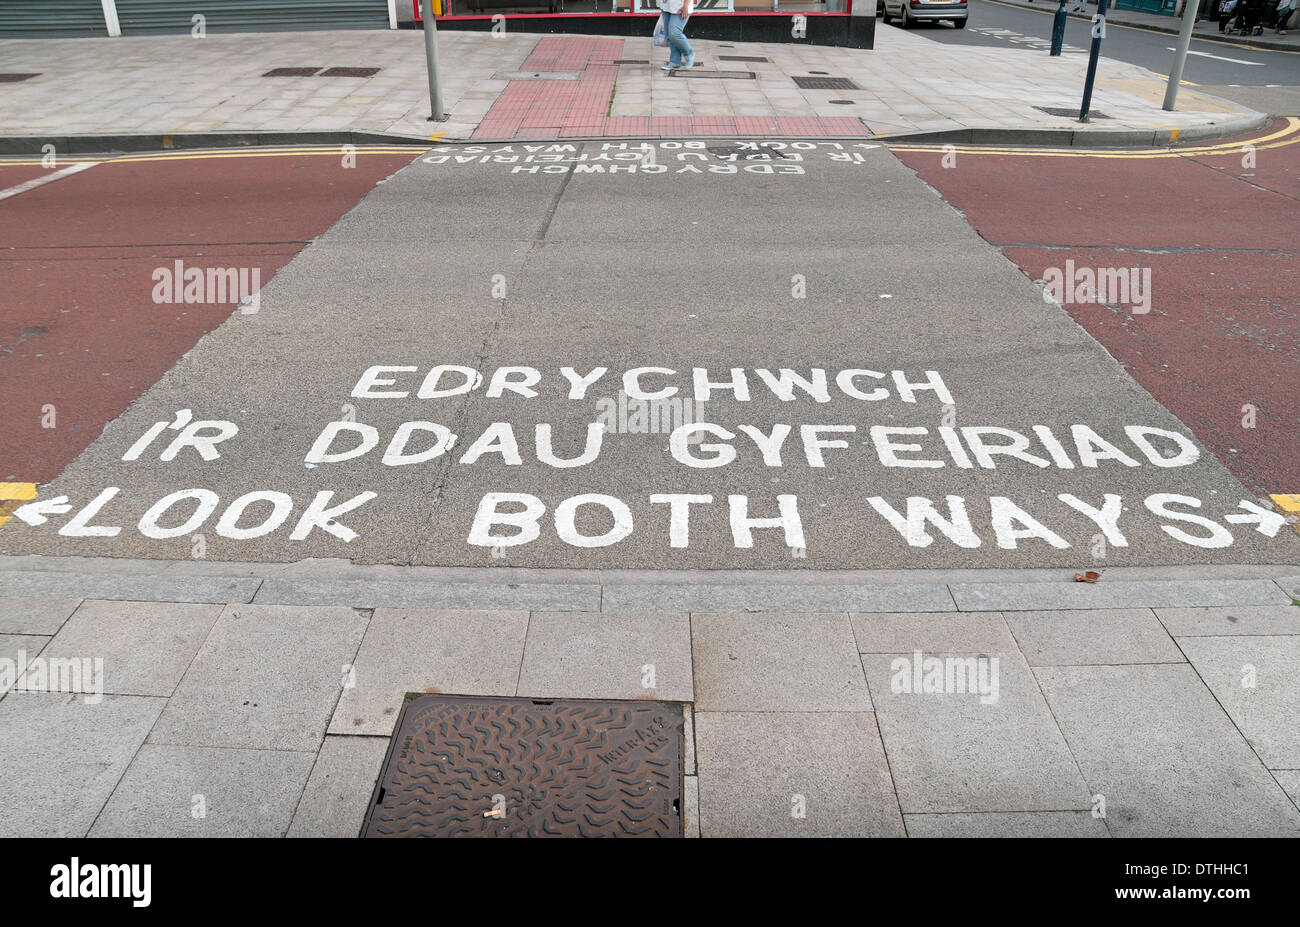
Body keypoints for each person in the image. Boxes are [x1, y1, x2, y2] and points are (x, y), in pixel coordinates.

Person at [657, 0, 695, 72]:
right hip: (666, 6)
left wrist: (685, 5)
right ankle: (674, 62)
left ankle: (689, 53)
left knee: (675, 34)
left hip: (681, 6)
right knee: (669, 36)